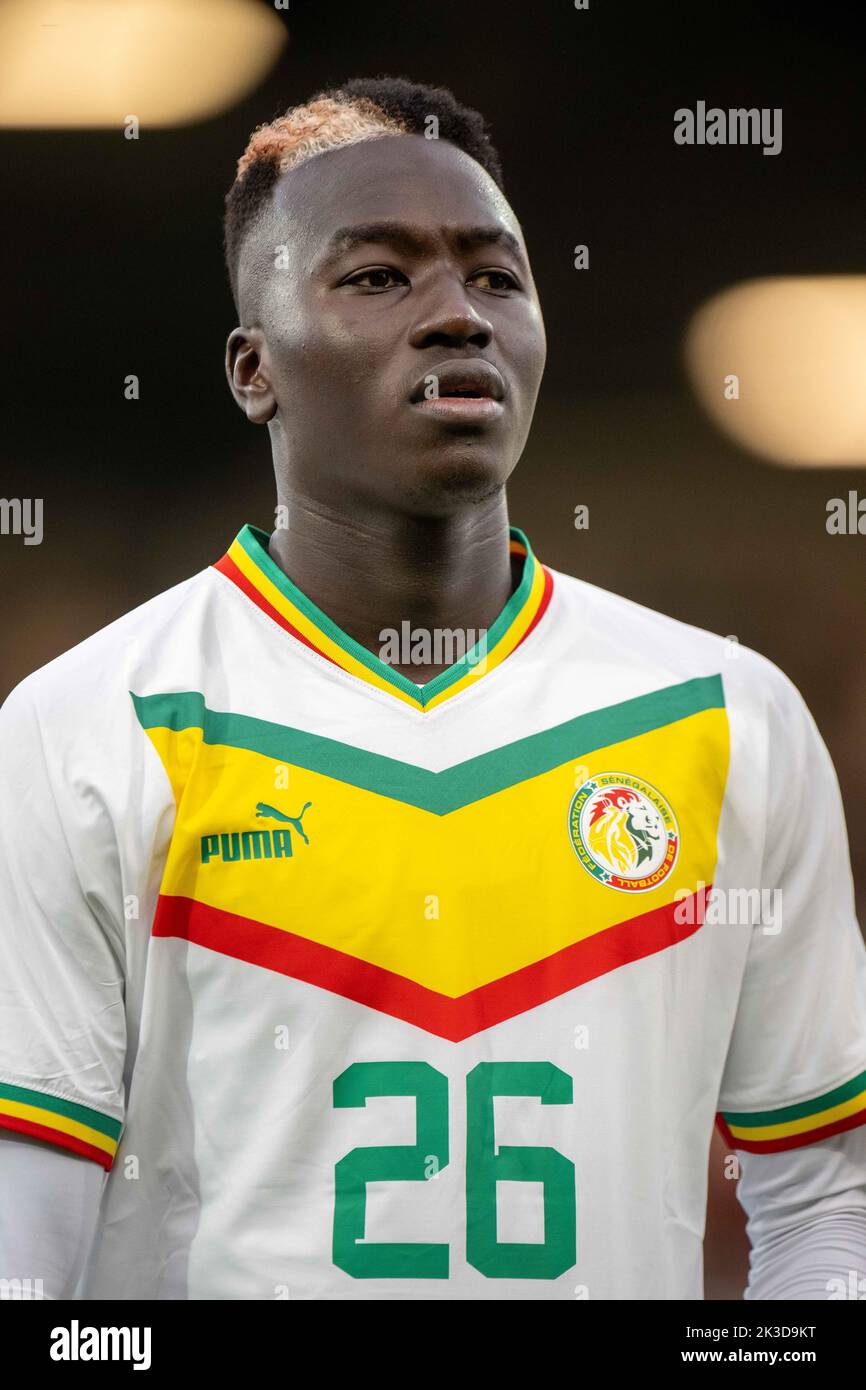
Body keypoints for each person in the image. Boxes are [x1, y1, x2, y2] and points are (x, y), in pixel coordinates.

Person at [1, 76, 864, 1301]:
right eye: (377, 277)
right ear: (255, 369)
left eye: (494, 276)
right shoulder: (89, 726)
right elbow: (26, 1261)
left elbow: (823, 1204)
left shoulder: (726, 716)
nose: (456, 313)